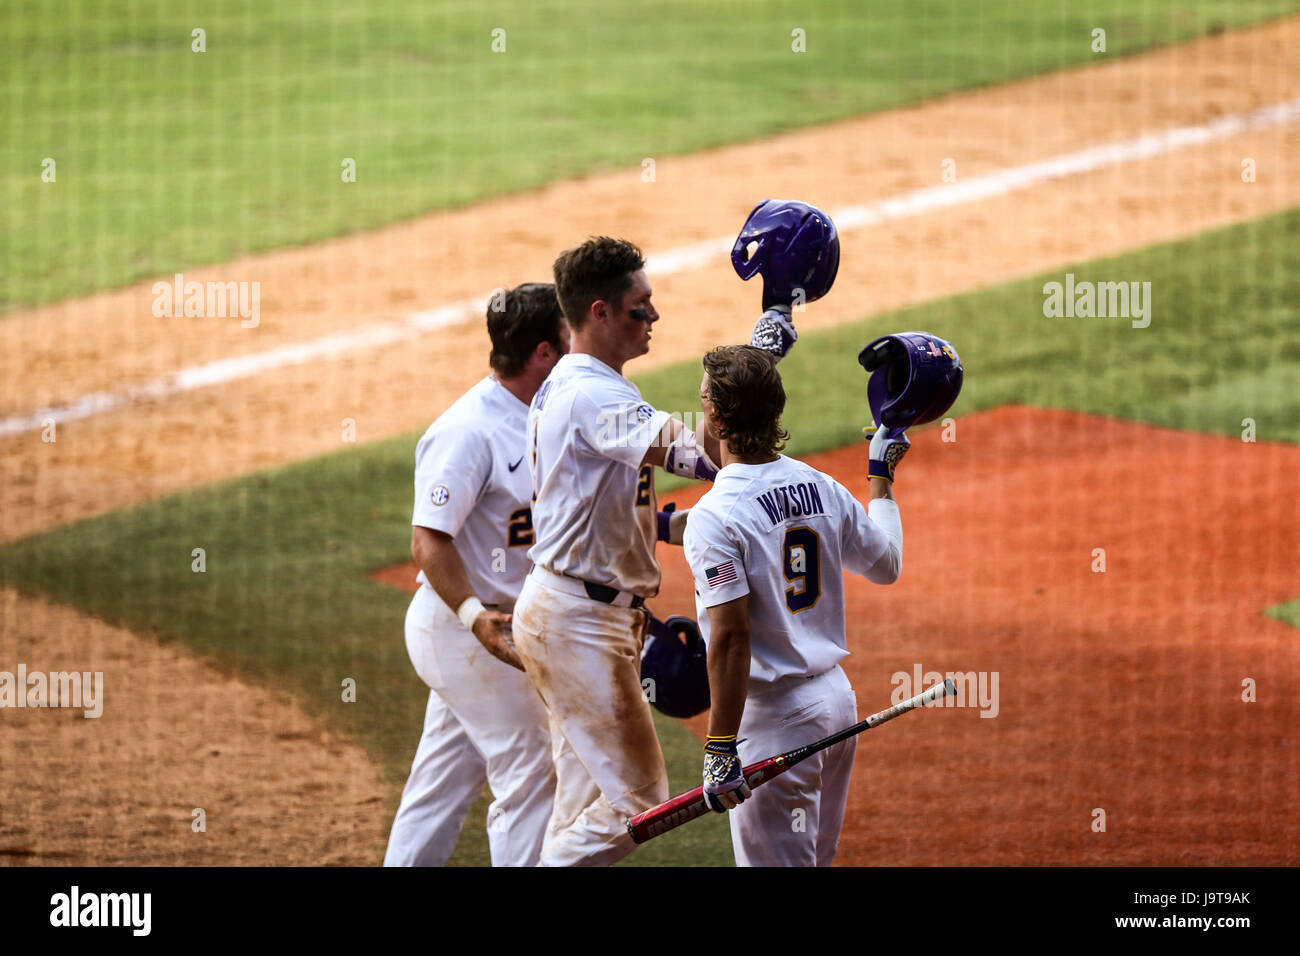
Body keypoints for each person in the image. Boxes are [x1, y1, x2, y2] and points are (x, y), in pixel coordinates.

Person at [510, 237, 733, 867]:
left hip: (577, 609)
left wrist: (667, 527)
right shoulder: (593, 396)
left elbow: (598, 497)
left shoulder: (583, 387)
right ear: (601, 312)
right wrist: (737, 368)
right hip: (579, 621)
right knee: (640, 801)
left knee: (583, 803)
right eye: (642, 306)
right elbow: (704, 456)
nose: (654, 316)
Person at [681, 344, 909, 867]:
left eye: (702, 401)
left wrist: (720, 748)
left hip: (774, 722)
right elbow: (887, 563)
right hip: (835, 706)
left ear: (715, 415)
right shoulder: (820, 485)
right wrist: (880, 473)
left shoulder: (715, 516)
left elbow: (732, 638)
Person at [383, 283, 569, 867]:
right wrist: (474, 618)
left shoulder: (548, 412)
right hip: (462, 628)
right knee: (532, 768)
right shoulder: (468, 430)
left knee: (442, 782)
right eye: (569, 338)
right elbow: (427, 539)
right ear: (543, 352)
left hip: (497, 631)